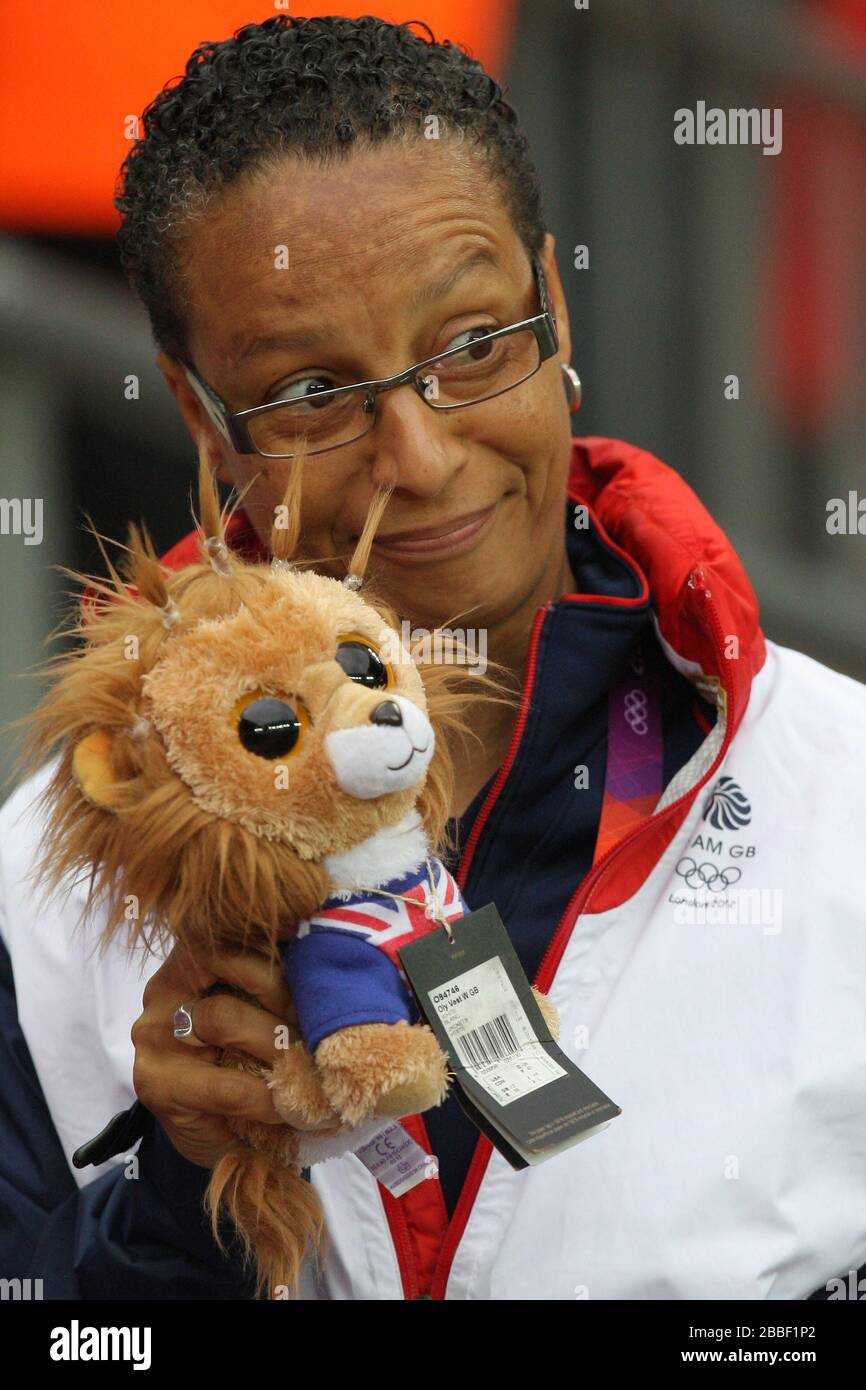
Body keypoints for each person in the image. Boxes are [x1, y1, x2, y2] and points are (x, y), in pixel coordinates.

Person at [1, 14, 864, 1302]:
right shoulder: (44, 895)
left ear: (553, 302)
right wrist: (177, 1210)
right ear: (198, 414)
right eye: (310, 395)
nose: (419, 456)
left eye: (471, 346)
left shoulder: (840, 798)